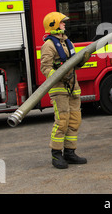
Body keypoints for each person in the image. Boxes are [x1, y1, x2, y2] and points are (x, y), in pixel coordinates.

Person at [40, 12, 89, 169]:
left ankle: (70, 152)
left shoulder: (67, 42)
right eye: (62, 22)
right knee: (62, 121)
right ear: (54, 24)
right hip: (59, 88)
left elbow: (74, 64)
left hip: (73, 88)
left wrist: (83, 59)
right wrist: (57, 76)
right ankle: (56, 154)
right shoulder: (48, 45)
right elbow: (45, 67)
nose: (64, 25)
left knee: (75, 120)